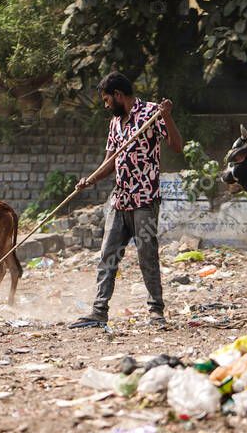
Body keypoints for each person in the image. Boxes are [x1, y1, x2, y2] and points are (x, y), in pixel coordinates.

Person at [68, 71, 183, 329]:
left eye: (108, 101)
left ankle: (156, 312)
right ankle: (99, 311)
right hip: (119, 199)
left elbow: (177, 146)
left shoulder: (152, 113)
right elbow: (110, 161)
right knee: (108, 256)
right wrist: (90, 179)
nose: (107, 106)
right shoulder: (115, 123)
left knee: (147, 256)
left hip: (144, 199)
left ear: (119, 96)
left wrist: (167, 116)